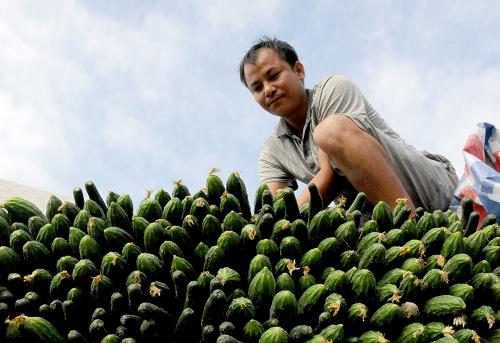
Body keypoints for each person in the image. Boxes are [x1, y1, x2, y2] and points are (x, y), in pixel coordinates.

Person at [239, 36, 459, 214]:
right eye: (257, 88)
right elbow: (274, 213)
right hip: (375, 216)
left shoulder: (332, 88)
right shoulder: (273, 151)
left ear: (299, 70)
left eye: (274, 75)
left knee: (328, 132)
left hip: (427, 188)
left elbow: (331, 176)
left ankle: (411, 228)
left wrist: (288, 221)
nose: (268, 90)